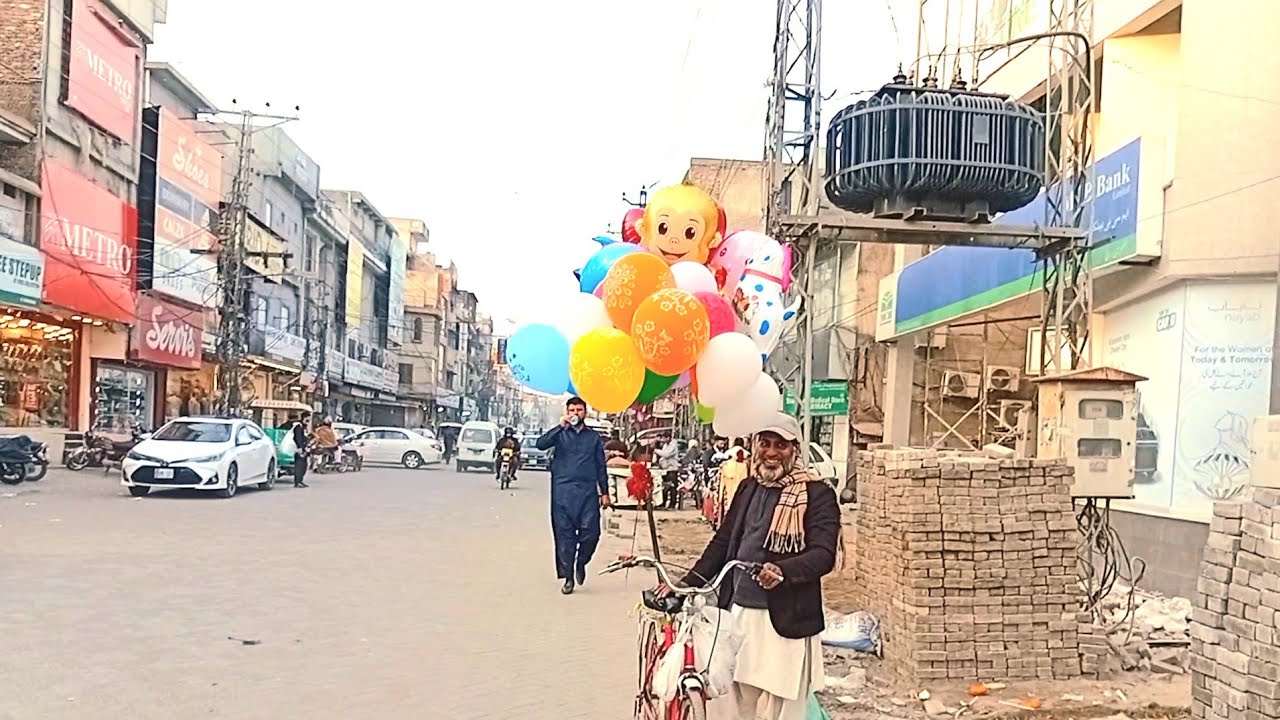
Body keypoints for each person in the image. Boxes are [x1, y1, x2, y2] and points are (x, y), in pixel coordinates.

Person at [663, 413, 840, 720]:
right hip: (740, 611)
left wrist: (783, 571)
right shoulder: (748, 487)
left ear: (795, 449)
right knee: (736, 701)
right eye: (765, 443)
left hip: (786, 618)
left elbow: (824, 555)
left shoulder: (817, 494)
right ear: (755, 446)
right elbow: (723, 542)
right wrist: (687, 582)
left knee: (781, 709)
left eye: (781, 445)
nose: (771, 452)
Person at [536, 396, 611, 595]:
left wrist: (605, 492)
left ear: (585, 412)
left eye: (579, 410)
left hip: (587, 492)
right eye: (572, 410)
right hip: (562, 492)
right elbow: (540, 444)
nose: (576, 413)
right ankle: (568, 577)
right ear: (567, 412)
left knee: (591, 533)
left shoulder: (593, 437)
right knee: (564, 537)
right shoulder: (560, 434)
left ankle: (581, 562)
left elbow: (601, 466)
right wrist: (560, 426)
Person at [290, 414, 311, 488]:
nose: (308, 422)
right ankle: (297, 482)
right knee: (299, 466)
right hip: (299, 449)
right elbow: (298, 438)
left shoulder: (304, 427)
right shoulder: (298, 427)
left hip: (304, 449)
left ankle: (300, 481)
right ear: (304, 418)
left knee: (304, 466)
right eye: (307, 420)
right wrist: (300, 448)